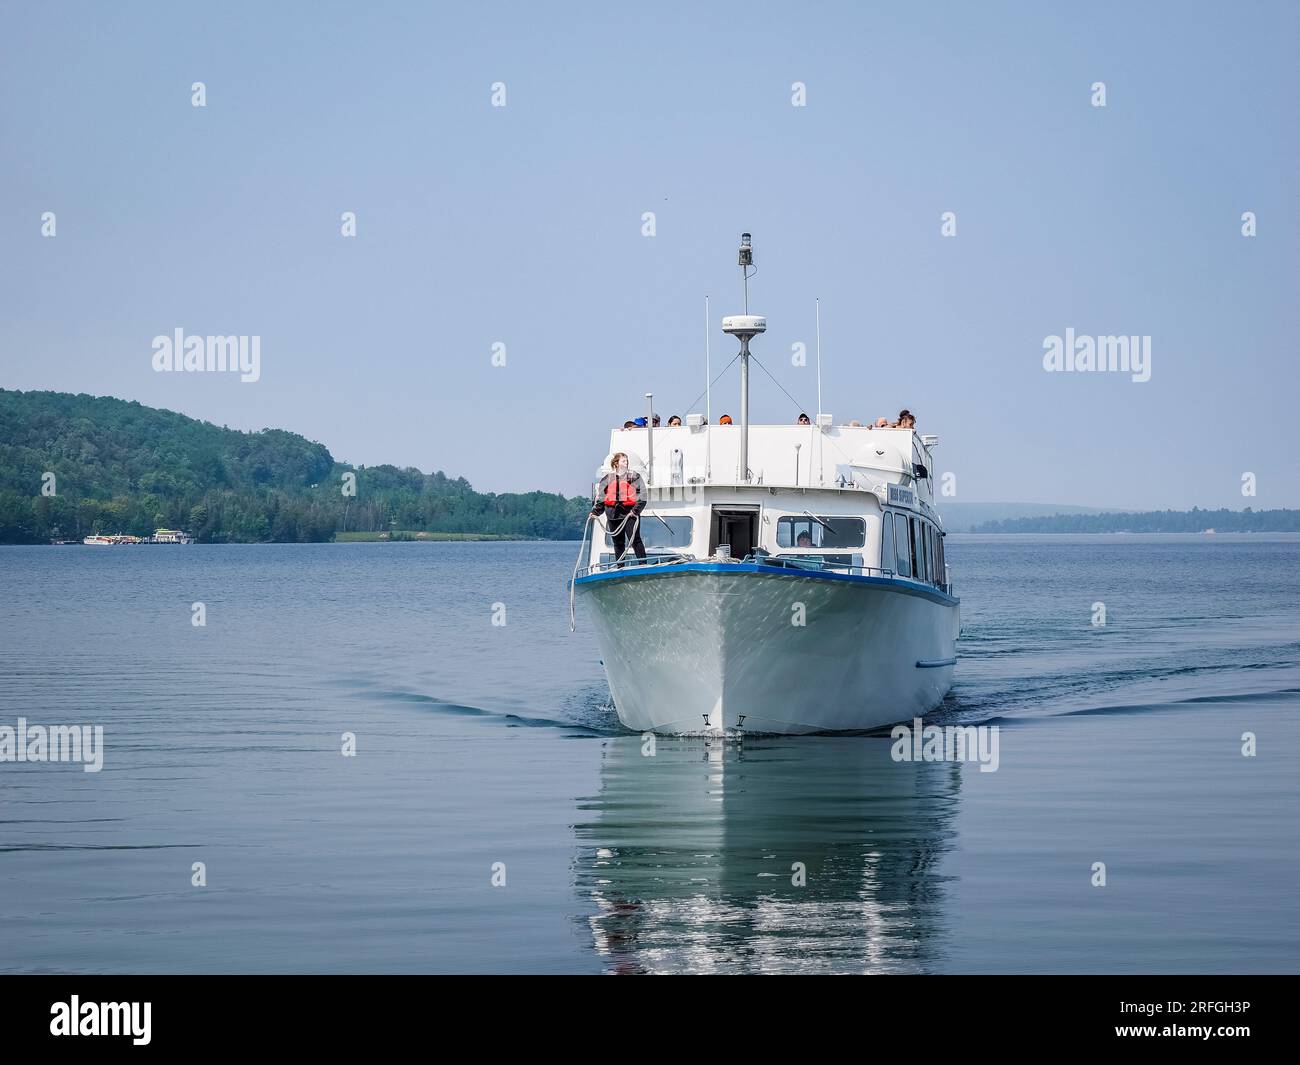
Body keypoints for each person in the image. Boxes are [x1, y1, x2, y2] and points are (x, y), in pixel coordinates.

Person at [591, 452, 646, 564]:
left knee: (635, 539)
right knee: (618, 543)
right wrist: (595, 512)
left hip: (630, 514)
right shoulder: (607, 479)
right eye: (623, 461)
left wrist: (635, 511)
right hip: (613, 515)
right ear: (616, 463)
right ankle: (620, 567)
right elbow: (602, 498)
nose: (626, 463)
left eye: (627, 461)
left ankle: (643, 565)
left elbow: (642, 496)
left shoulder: (634, 477)